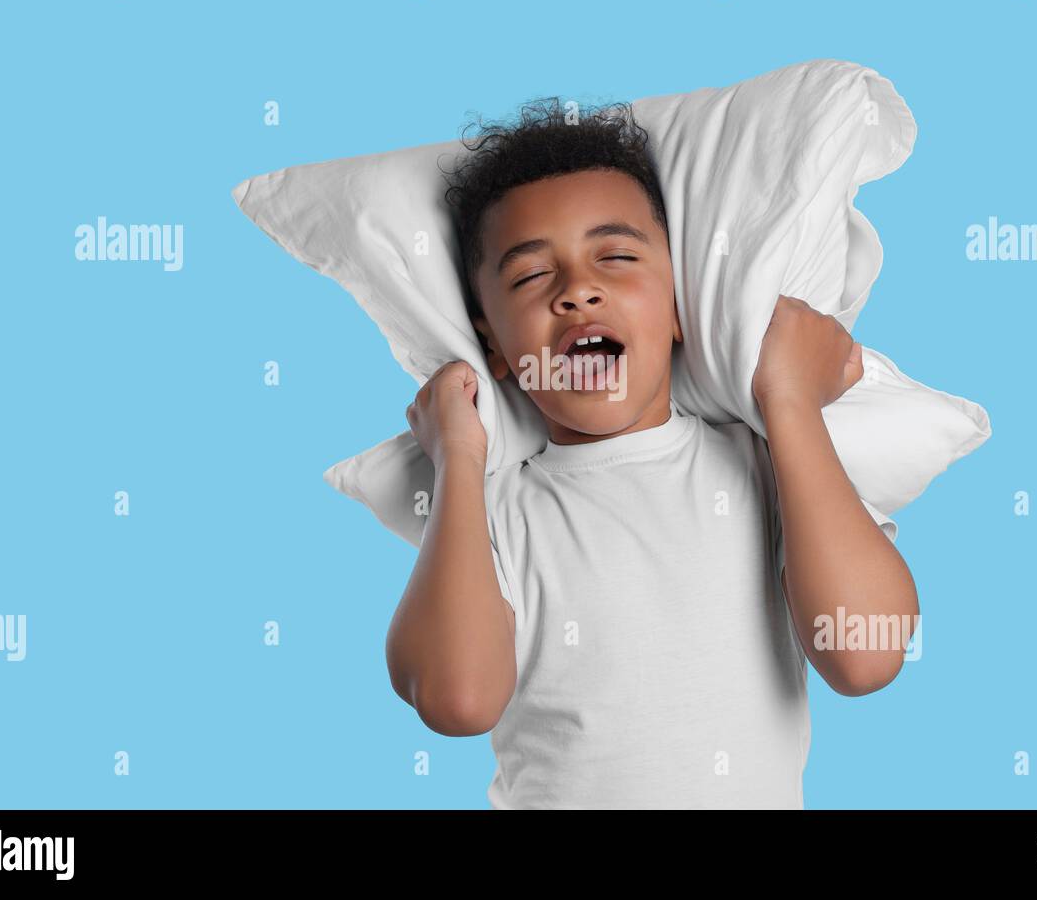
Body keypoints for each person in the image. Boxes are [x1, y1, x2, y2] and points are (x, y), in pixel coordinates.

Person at [385, 97, 919, 809]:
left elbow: (866, 655)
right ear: (494, 348)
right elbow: (457, 698)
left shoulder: (767, 466)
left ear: (677, 307)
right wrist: (456, 454)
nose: (578, 291)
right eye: (530, 276)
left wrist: (788, 399)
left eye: (616, 256)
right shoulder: (494, 511)